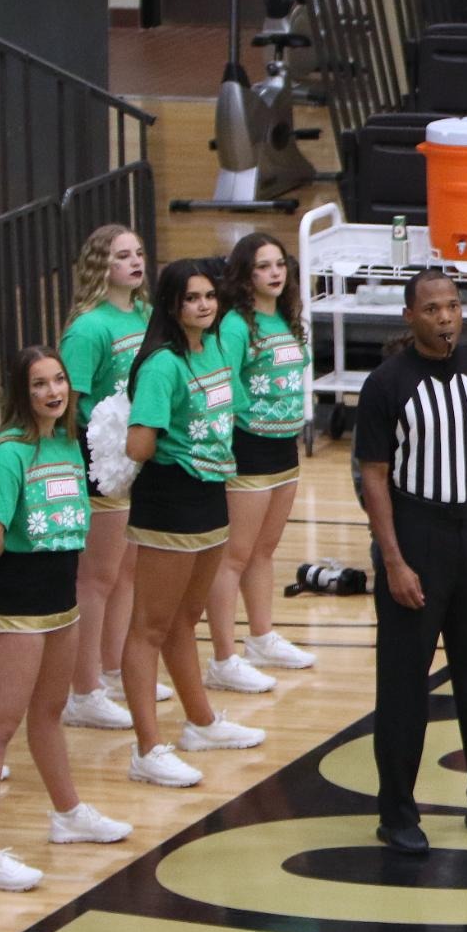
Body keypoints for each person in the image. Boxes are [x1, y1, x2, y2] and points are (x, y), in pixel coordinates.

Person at [354, 269, 467, 853]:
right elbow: (373, 478)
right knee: (404, 682)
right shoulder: (386, 384)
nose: (445, 317)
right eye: (432, 309)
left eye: (452, 306)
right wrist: (394, 560)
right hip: (417, 531)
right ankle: (397, 813)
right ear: (410, 316)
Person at [0, 348, 133, 891]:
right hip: (16, 606)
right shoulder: (8, 453)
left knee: (48, 713)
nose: (53, 391)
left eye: (59, 380)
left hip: (61, 602)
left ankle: (68, 815)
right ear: (22, 395)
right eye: (40, 384)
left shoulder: (70, 442)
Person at [121, 261, 268, 789]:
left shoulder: (218, 349)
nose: (204, 306)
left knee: (185, 620)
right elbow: (139, 443)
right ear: (171, 305)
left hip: (211, 495)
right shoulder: (162, 364)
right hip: (170, 501)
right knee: (149, 628)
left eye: (209, 297)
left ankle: (201, 723)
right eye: (192, 299)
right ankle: (146, 749)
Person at [203, 231, 316, 695]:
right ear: (245, 276)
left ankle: (262, 638)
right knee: (234, 555)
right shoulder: (234, 326)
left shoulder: (288, 319)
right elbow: (224, 384)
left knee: (264, 551)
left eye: (279, 265)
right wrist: (233, 435)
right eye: (263, 266)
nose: (275, 273)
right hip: (247, 446)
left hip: (284, 444)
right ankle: (224, 657)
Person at [59, 224, 155, 732]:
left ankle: (116, 668)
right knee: (96, 577)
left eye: (138, 253)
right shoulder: (87, 328)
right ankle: (84, 688)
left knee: (128, 570)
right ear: (102, 266)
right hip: (99, 459)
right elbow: (66, 404)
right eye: (123, 256)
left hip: (136, 454)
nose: (135, 262)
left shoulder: (143, 313)